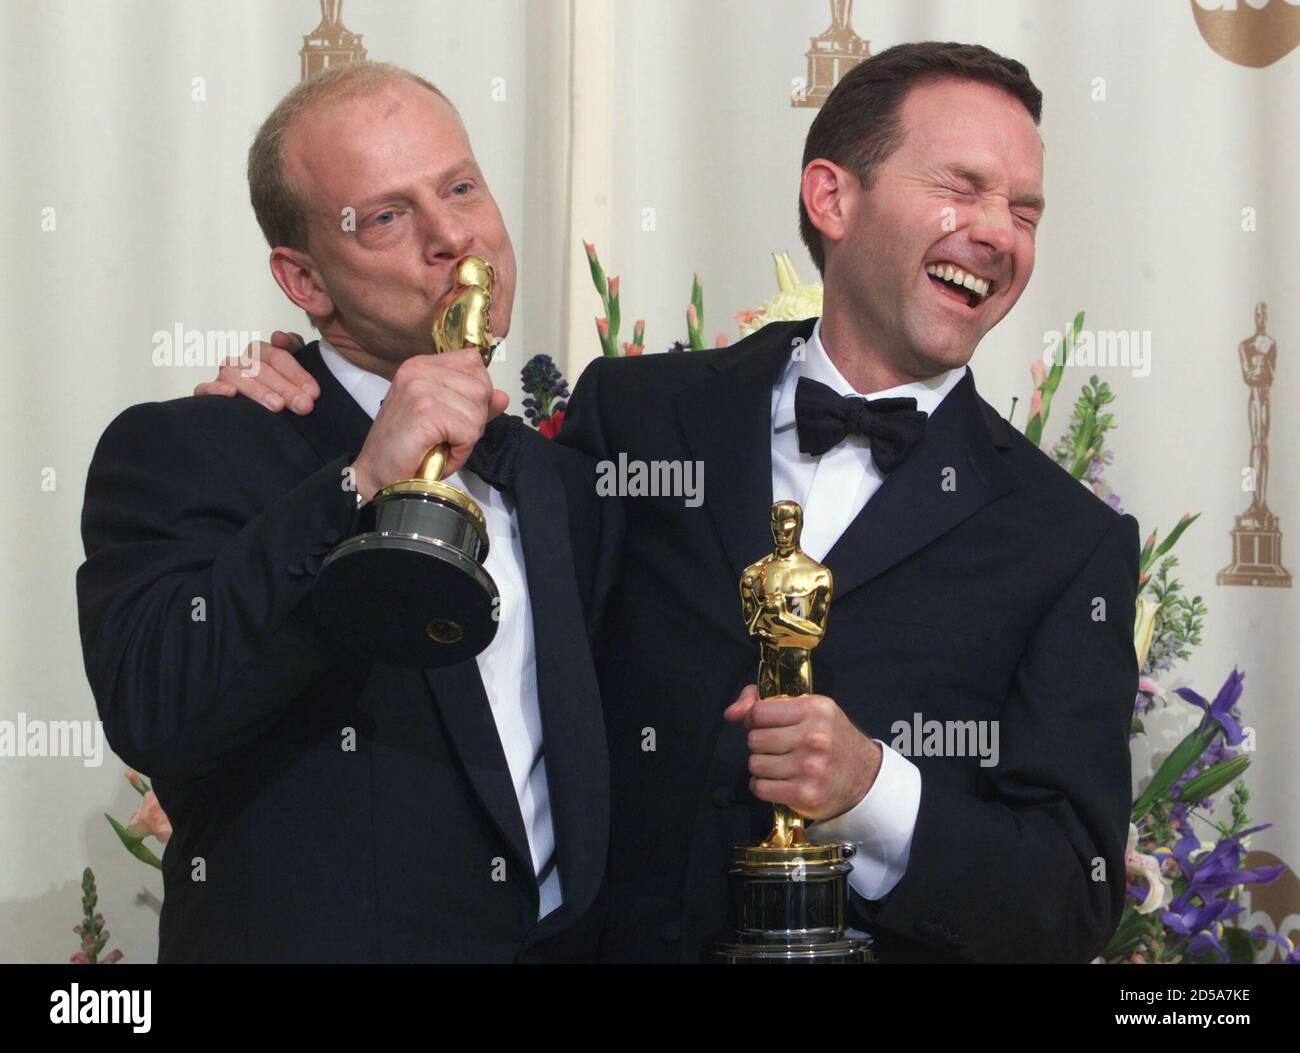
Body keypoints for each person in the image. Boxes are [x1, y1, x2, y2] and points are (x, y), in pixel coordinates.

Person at [208, 42, 1139, 963]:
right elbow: (449, 526)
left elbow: (1073, 896)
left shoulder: (1067, 539)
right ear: (832, 198)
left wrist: (875, 791)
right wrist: (307, 386)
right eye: (962, 187)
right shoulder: (638, 416)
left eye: (1023, 209)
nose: (998, 232)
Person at [77, 62, 620, 963]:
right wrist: (362, 478)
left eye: (460, 186)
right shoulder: (186, 449)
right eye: (386, 216)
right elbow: (156, 705)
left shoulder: (562, 481)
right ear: (306, 281)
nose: (452, 235)